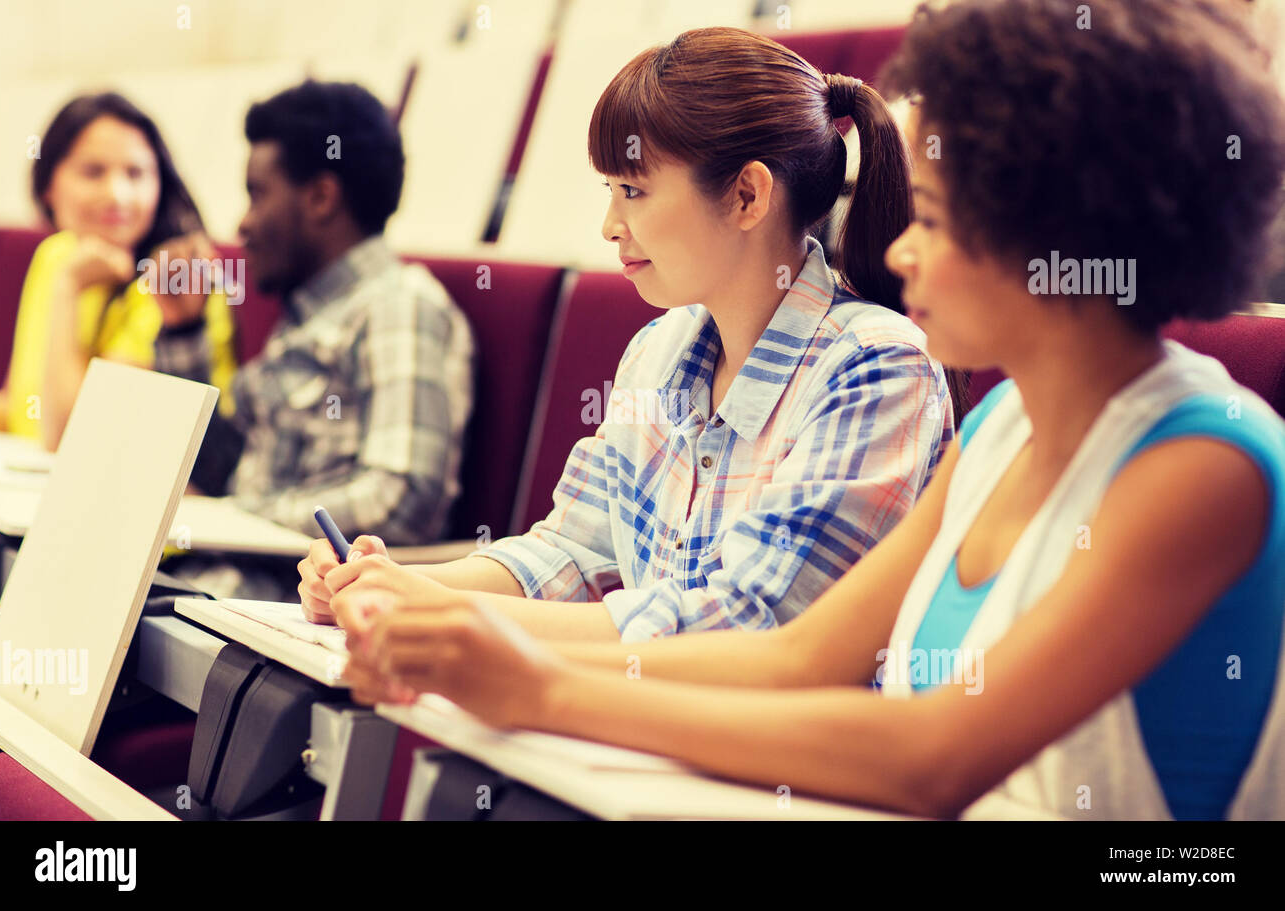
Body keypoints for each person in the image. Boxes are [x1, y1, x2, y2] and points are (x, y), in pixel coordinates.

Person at [339, 0, 1285, 820]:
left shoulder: (1204, 465)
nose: (901, 254)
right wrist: (480, 640)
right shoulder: (1004, 431)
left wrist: (536, 683)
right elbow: (794, 659)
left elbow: (929, 759)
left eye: (939, 220)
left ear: (1059, 239)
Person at [300, 27, 957, 642]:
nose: (610, 225)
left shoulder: (877, 367)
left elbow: (747, 621)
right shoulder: (658, 349)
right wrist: (392, 583)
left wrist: (439, 610)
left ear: (748, 197)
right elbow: (571, 554)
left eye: (634, 191)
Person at [160, 80, 474, 599]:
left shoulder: (398, 307)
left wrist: (231, 517)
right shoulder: (309, 308)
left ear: (321, 197)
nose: (243, 223)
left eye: (257, 194)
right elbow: (221, 472)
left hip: (290, 599)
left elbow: (403, 500)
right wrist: (184, 330)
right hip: (225, 577)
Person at [0, 93, 236, 450]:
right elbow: (20, 407)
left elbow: (73, 438)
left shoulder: (177, 280)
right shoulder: (57, 253)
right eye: (93, 172)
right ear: (48, 186)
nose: (118, 194)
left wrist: (68, 289)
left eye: (136, 173)